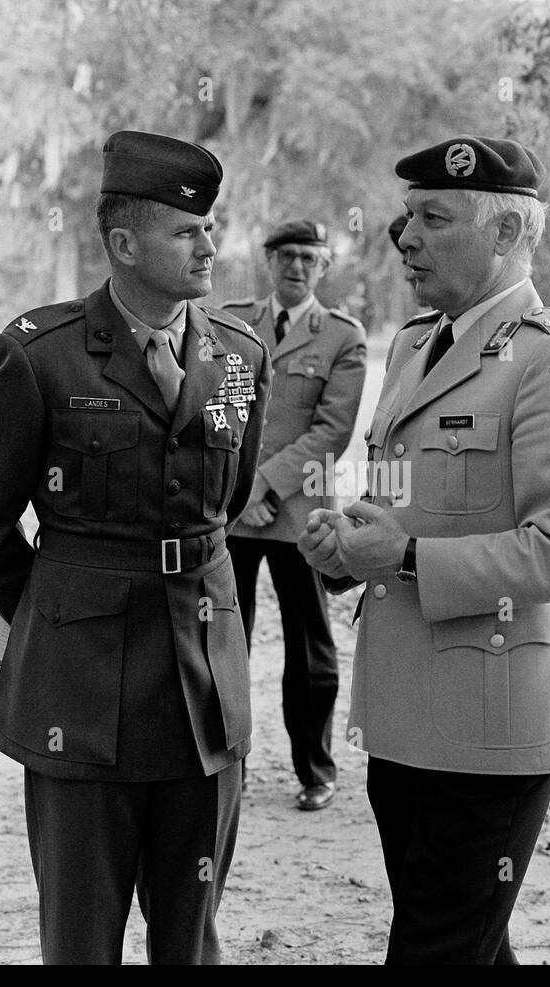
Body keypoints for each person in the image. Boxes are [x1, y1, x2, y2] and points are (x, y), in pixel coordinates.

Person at [0, 130, 270, 964]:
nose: (209, 245)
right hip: (80, 699)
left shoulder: (239, 354)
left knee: (190, 939)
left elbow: (225, 504)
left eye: (210, 228)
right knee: (83, 939)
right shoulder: (38, 356)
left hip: (203, 685)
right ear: (124, 243)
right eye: (185, 231)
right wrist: (57, 610)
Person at [298, 135, 550, 964]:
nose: (403, 239)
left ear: (508, 235)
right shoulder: (413, 344)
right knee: (470, 948)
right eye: (407, 218)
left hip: (489, 729)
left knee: (435, 950)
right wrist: (346, 545)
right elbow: (404, 507)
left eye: (432, 219)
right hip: (402, 716)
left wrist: (403, 560)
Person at [219, 220, 367, 810]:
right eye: (286, 256)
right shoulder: (231, 324)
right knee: (224, 640)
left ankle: (316, 770)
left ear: (324, 268)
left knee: (310, 648)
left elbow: (333, 430)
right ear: (269, 262)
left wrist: (263, 485)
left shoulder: (341, 337)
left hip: (300, 512)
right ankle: (227, 762)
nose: (297, 267)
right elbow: (216, 411)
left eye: (309, 258)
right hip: (232, 513)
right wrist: (240, 491)